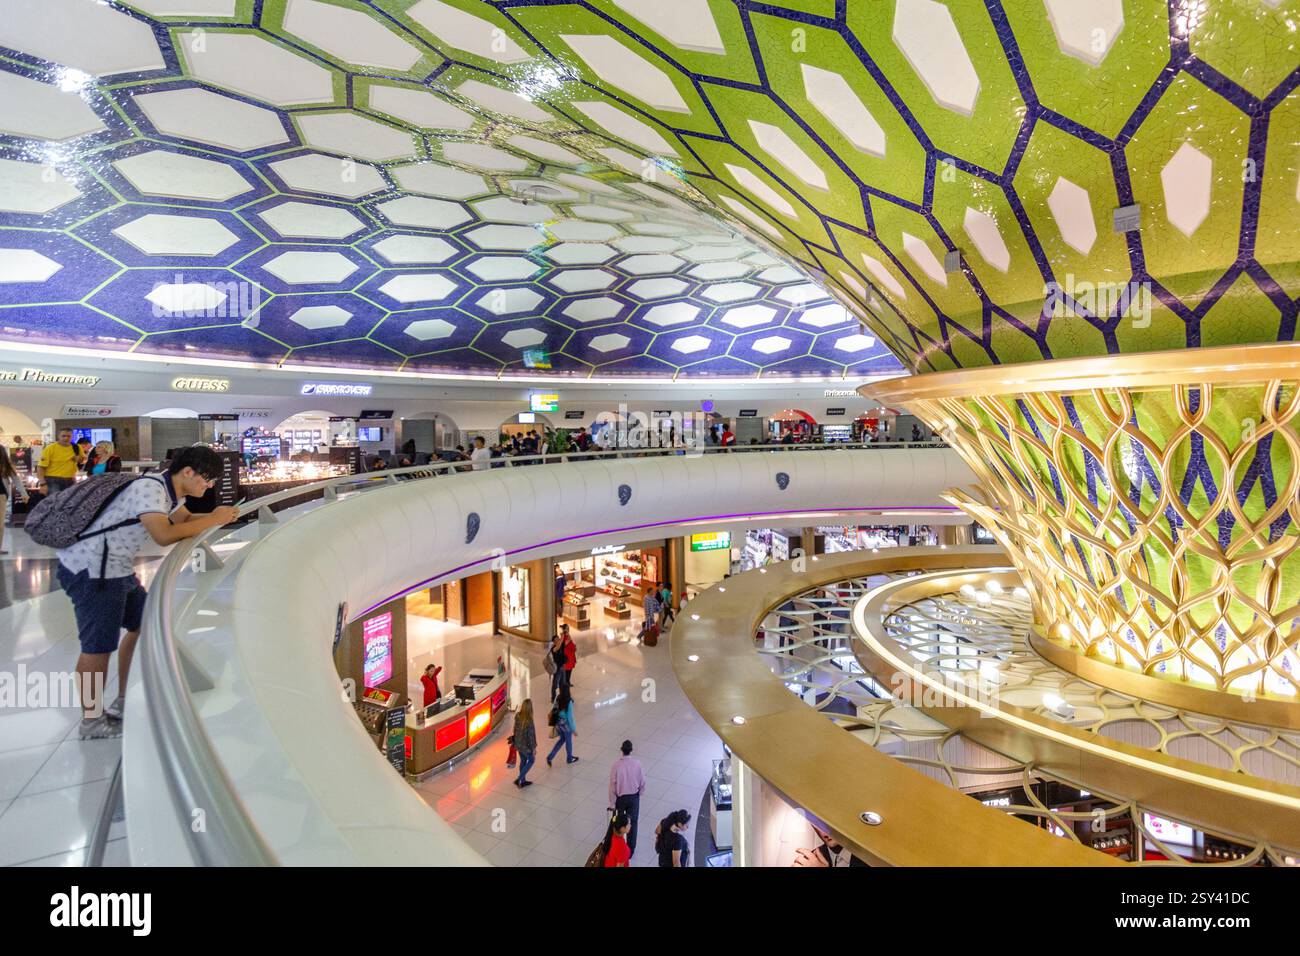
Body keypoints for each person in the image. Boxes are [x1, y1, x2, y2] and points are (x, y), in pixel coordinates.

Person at [55, 445, 239, 739]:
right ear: (188, 472)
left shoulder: (169, 490)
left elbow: (183, 521)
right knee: (97, 646)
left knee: (143, 624)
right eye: (207, 479)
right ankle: (91, 720)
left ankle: (124, 700)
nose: (209, 485)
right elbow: (163, 534)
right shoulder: (150, 489)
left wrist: (216, 514)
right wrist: (214, 519)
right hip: (92, 570)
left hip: (116, 567)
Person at [608, 739, 646, 854]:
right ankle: (631, 849)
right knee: (633, 823)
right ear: (631, 750)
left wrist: (612, 803)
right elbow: (643, 782)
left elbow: (612, 785)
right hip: (634, 798)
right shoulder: (637, 764)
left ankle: (618, 846)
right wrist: (639, 793)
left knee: (619, 823)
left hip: (621, 799)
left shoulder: (616, 766)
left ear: (622, 750)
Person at [0, 444, 29, 555]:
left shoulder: (6, 466)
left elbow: (16, 480)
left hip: (1, 495)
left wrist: (24, 493)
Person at [37, 428, 83, 497]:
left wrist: (79, 459)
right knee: (55, 502)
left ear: (72, 437)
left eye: (68, 436)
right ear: (58, 436)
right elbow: (41, 467)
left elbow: (83, 460)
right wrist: (42, 483)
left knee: (69, 502)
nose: (66, 438)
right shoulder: (50, 448)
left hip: (71, 479)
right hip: (53, 480)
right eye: (63, 436)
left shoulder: (77, 447)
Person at [546, 685, 577, 766]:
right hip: (566, 724)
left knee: (562, 740)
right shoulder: (569, 701)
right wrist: (573, 729)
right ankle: (569, 758)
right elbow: (569, 717)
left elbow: (554, 708)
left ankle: (550, 757)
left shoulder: (558, 697)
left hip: (558, 723)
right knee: (568, 742)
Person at [512, 698, 537, 787]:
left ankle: (522, 781)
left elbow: (514, 729)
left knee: (523, 760)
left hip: (518, 744)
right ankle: (520, 778)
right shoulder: (529, 721)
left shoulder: (518, 716)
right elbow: (531, 737)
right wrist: (533, 748)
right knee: (531, 760)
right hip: (526, 746)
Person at [545, 632, 562, 702]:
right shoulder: (554, 649)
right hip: (557, 669)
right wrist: (562, 637)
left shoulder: (560, 646)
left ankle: (562, 696)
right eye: (556, 640)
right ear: (554, 642)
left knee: (563, 683)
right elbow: (558, 646)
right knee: (555, 684)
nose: (558, 641)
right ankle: (553, 697)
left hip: (562, 668)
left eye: (558, 639)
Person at [559, 624, 577, 689]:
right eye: (567, 628)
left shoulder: (567, 636)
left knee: (569, 671)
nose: (568, 629)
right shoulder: (563, 637)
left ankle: (568, 682)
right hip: (567, 657)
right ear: (564, 629)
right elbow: (564, 644)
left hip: (571, 656)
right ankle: (565, 683)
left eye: (568, 628)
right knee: (567, 671)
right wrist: (568, 638)